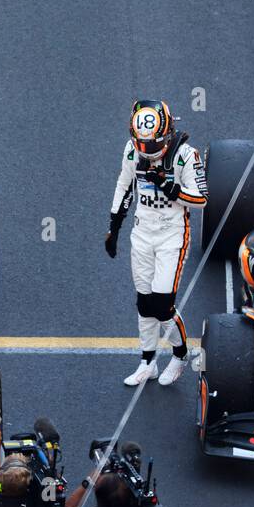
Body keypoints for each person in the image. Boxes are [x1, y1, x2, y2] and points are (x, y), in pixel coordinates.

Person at [104, 99, 206, 387]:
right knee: (144, 302)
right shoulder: (131, 150)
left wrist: (170, 187)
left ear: (168, 132)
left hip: (172, 234)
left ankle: (181, 354)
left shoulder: (186, 155)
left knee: (162, 304)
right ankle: (147, 362)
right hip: (142, 232)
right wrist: (114, 228)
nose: (147, 151)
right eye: (142, 144)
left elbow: (201, 198)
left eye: (153, 145)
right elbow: (124, 186)